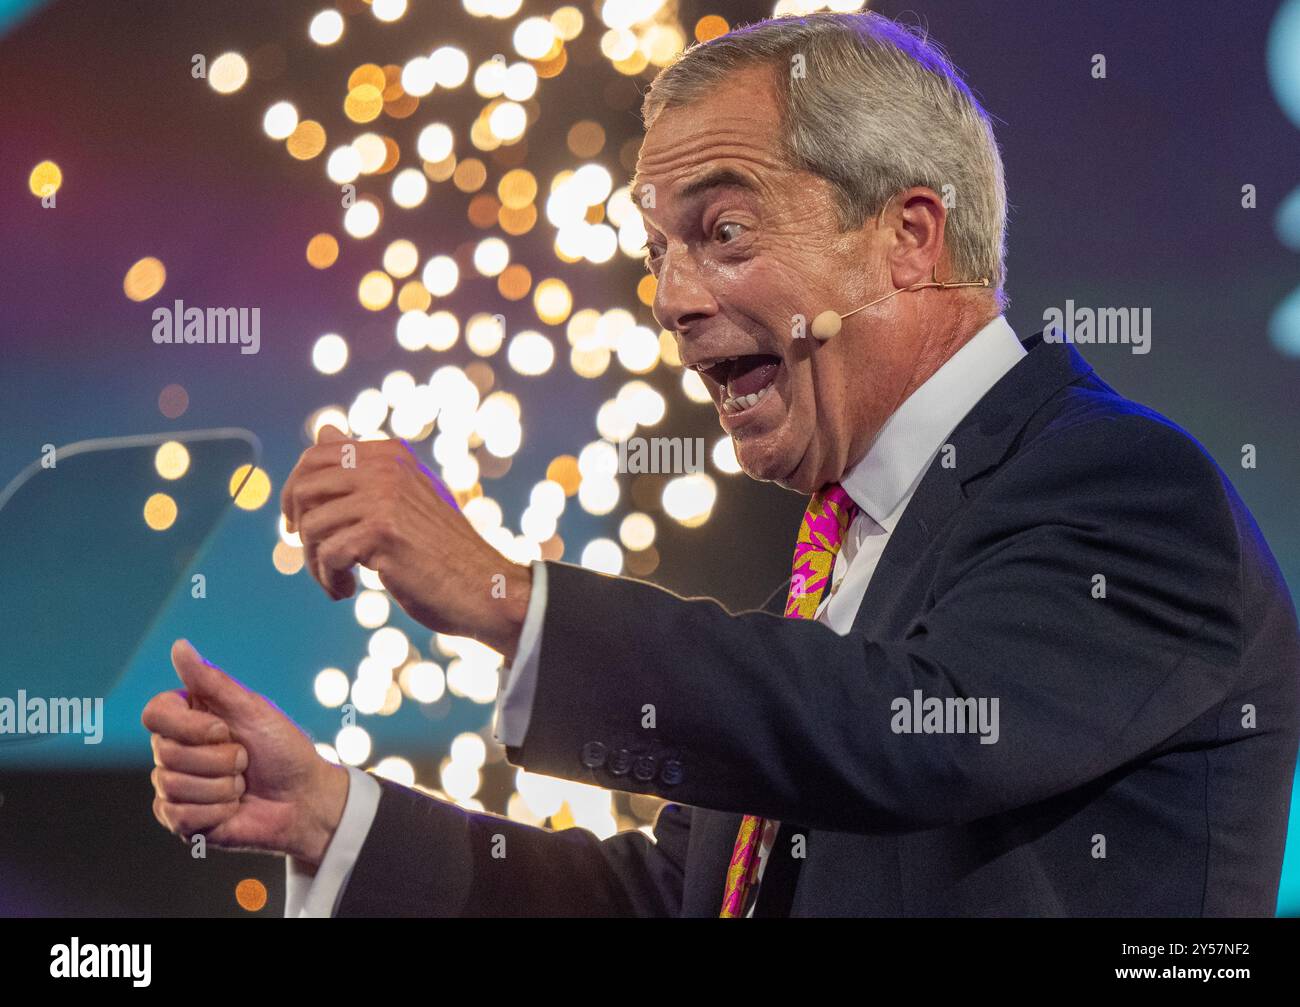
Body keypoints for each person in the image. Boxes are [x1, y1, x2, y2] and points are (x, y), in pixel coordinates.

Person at [143, 11, 1300, 917]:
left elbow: (914, 733)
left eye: (724, 232)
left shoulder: (1123, 490)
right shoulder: (844, 556)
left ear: (907, 240)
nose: (672, 300)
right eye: (657, 252)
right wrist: (330, 817)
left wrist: (505, 594)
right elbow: (670, 903)